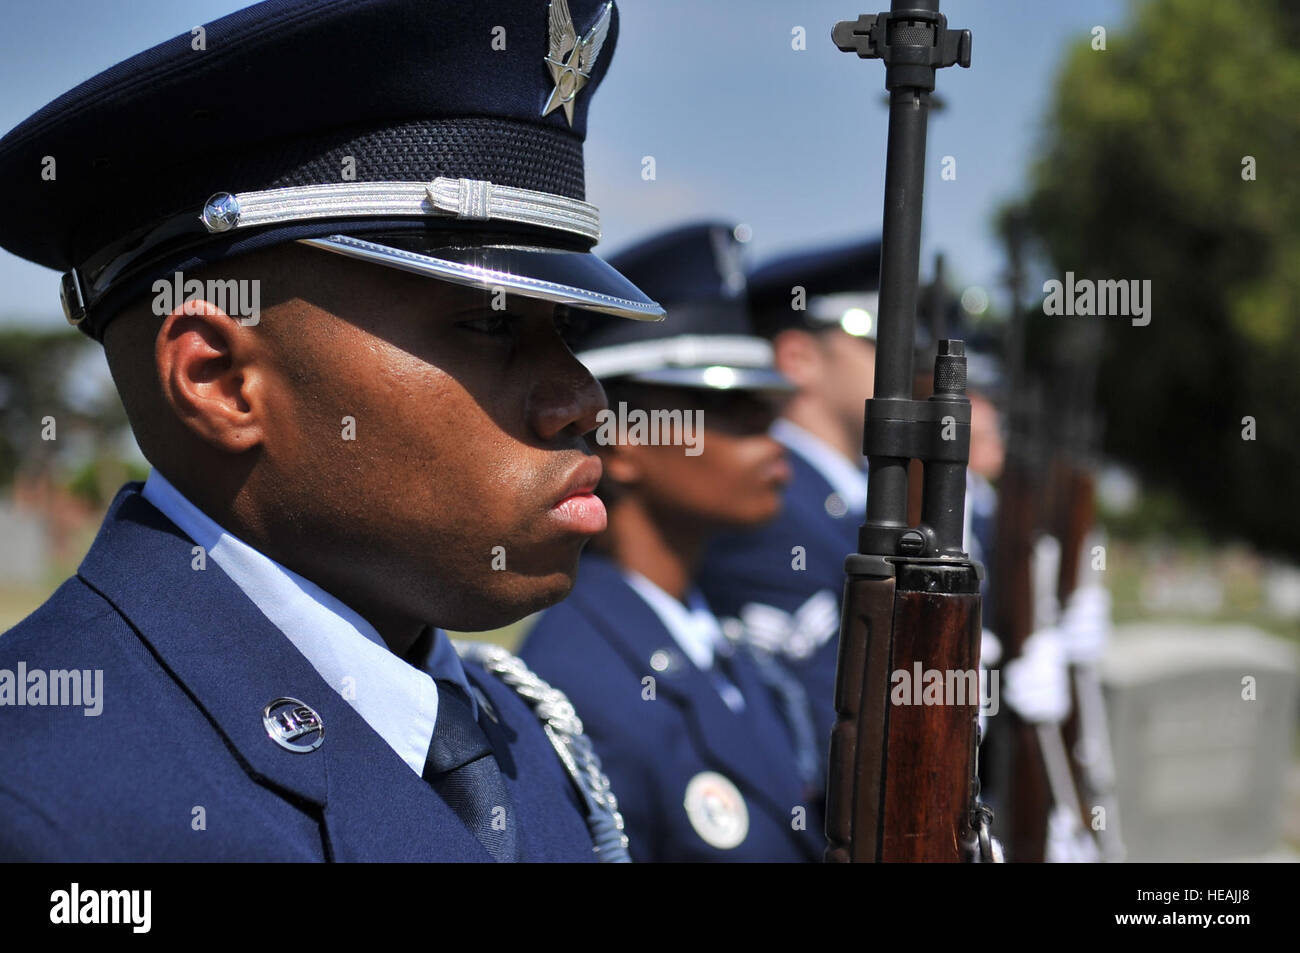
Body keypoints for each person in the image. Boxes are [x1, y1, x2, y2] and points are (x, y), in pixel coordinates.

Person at [0, 0, 663, 862]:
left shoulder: (517, 739)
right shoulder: (49, 804)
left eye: (565, 332)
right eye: (490, 325)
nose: (581, 396)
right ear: (220, 381)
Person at [519, 223, 825, 862]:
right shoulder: (583, 680)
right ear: (624, 440)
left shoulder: (711, 637)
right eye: (729, 409)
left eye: (767, 408)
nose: (771, 439)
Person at [696, 237, 883, 769]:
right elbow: (824, 746)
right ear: (799, 358)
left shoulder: (843, 502)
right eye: (874, 337)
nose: (901, 360)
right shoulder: (772, 513)